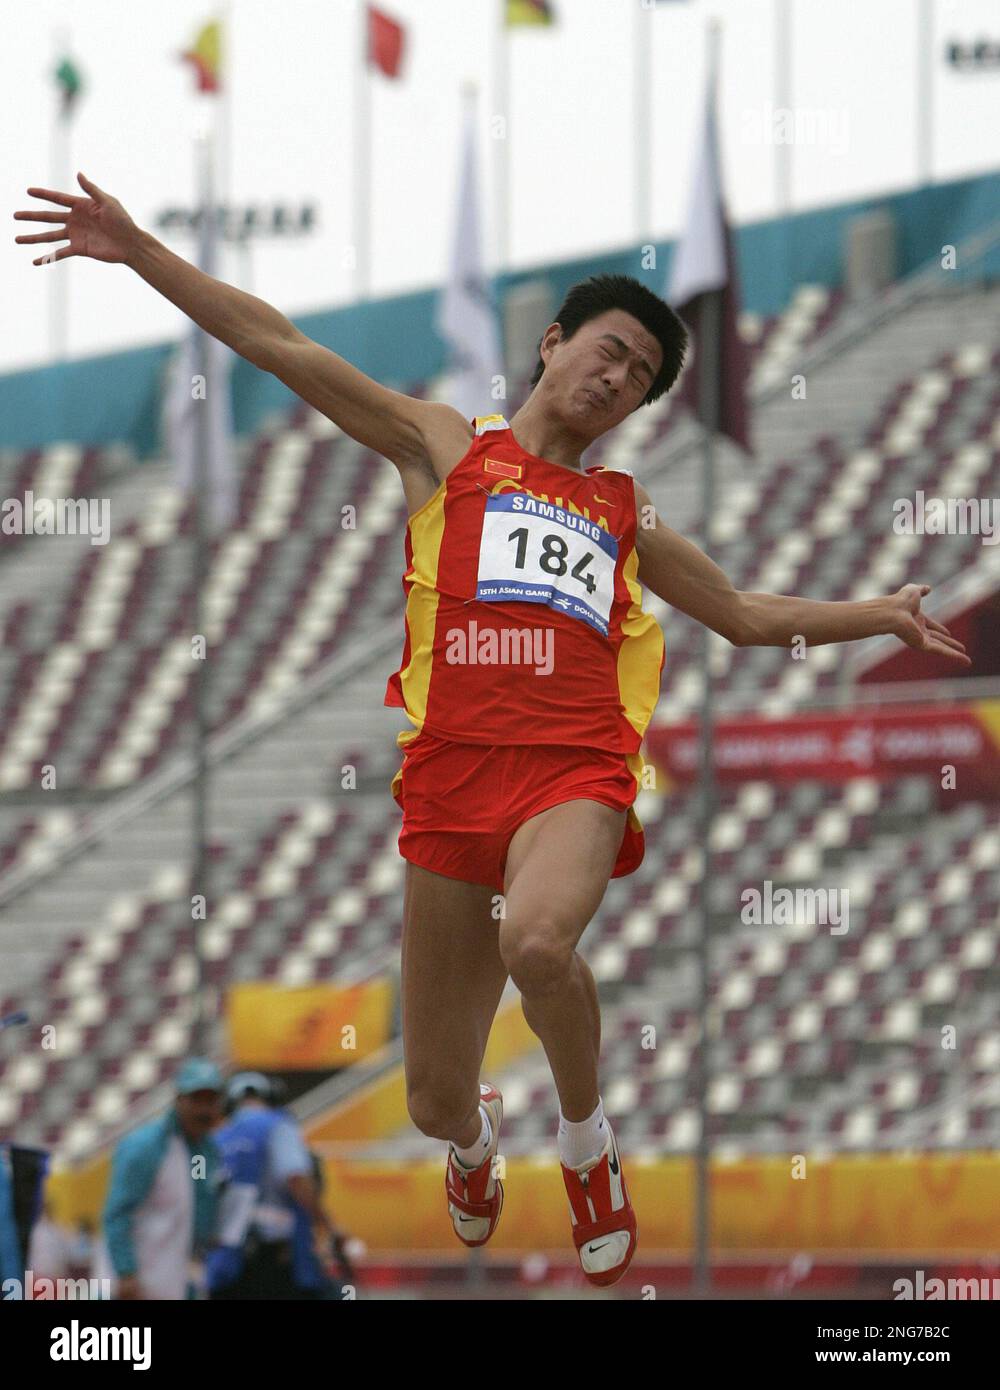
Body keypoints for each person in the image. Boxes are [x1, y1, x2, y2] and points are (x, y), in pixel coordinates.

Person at [14, 177, 970, 1286]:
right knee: (430, 1098)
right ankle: (474, 1147)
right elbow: (279, 347)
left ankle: (584, 1143)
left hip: (574, 768)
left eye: (641, 380)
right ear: (553, 341)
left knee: (541, 945)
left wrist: (880, 612)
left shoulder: (623, 511)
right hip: (450, 783)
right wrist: (140, 252)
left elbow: (749, 616)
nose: (617, 381)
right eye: (609, 352)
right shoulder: (441, 447)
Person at [206, 1073, 342, 1300]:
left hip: (229, 1262)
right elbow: (296, 1178)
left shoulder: (217, 1138)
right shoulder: (279, 1126)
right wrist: (329, 1225)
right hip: (276, 1262)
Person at [100, 1057, 223, 1300]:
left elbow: (200, 1204)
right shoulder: (146, 1148)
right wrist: (126, 1273)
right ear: (178, 1099)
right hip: (139, 1280)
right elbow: (118, 1213)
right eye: (197, 1100)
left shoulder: (205, 1150)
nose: (204, 1109)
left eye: (211, 1101)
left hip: (179, 1277)